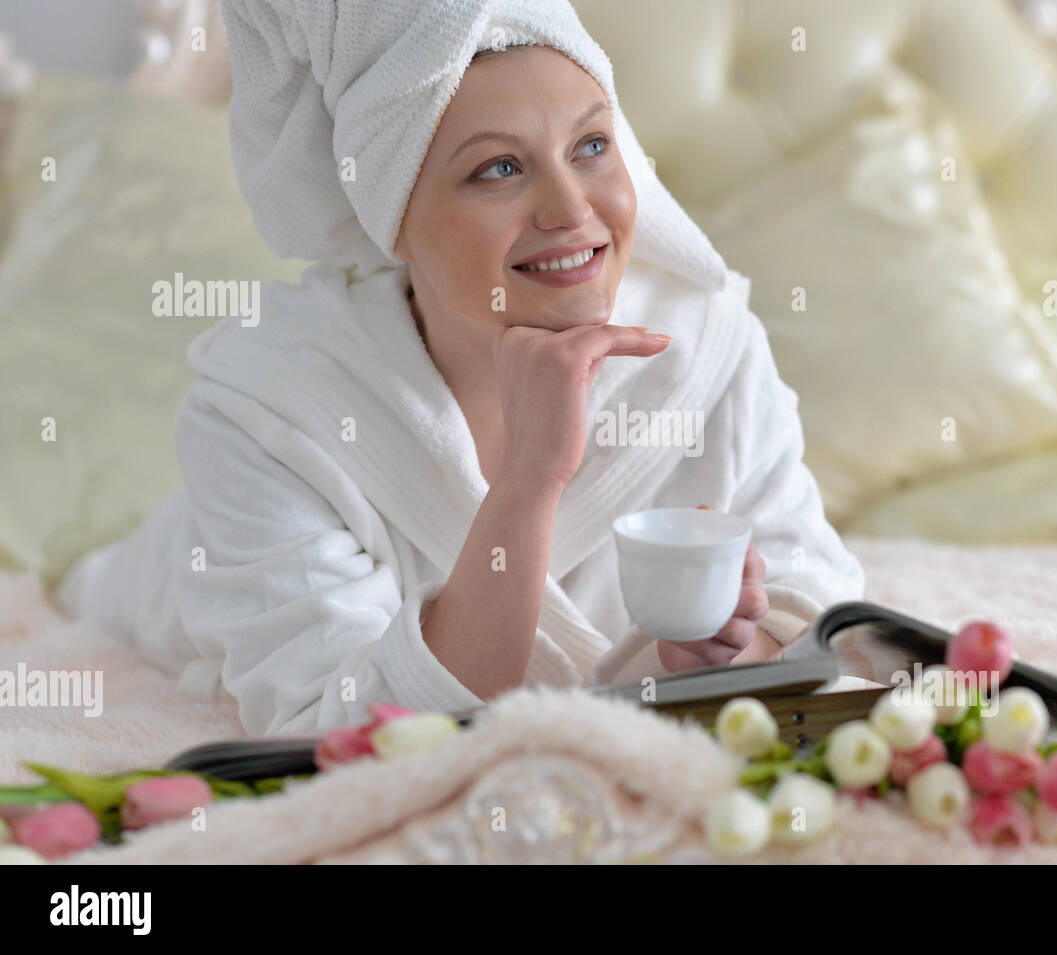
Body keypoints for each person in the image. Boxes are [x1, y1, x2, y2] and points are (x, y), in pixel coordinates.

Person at [57, 0, 864, 736]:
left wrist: (717, 655)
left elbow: (819, 628)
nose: (571, 210)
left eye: (590, 146)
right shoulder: (267, 409)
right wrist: (530, 480)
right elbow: (344, 732)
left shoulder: (709, 351)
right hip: (150, 586)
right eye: (499, 169)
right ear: (392, 219)